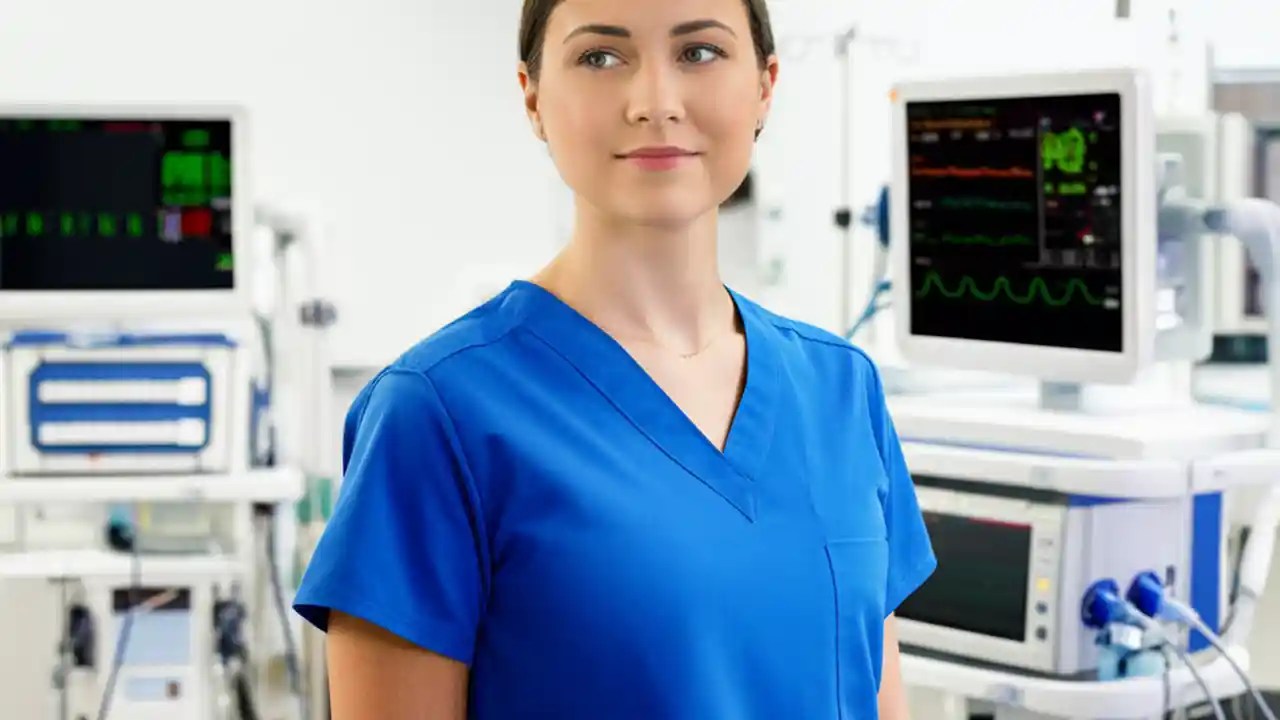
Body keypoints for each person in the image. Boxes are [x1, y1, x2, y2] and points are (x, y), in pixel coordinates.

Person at [292, 0, 937, 717]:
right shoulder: (437, 415)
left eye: (699, 53)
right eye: (601, 57)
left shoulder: (840, 389)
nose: (654, 103)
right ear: (532, 97)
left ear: (764, 86)